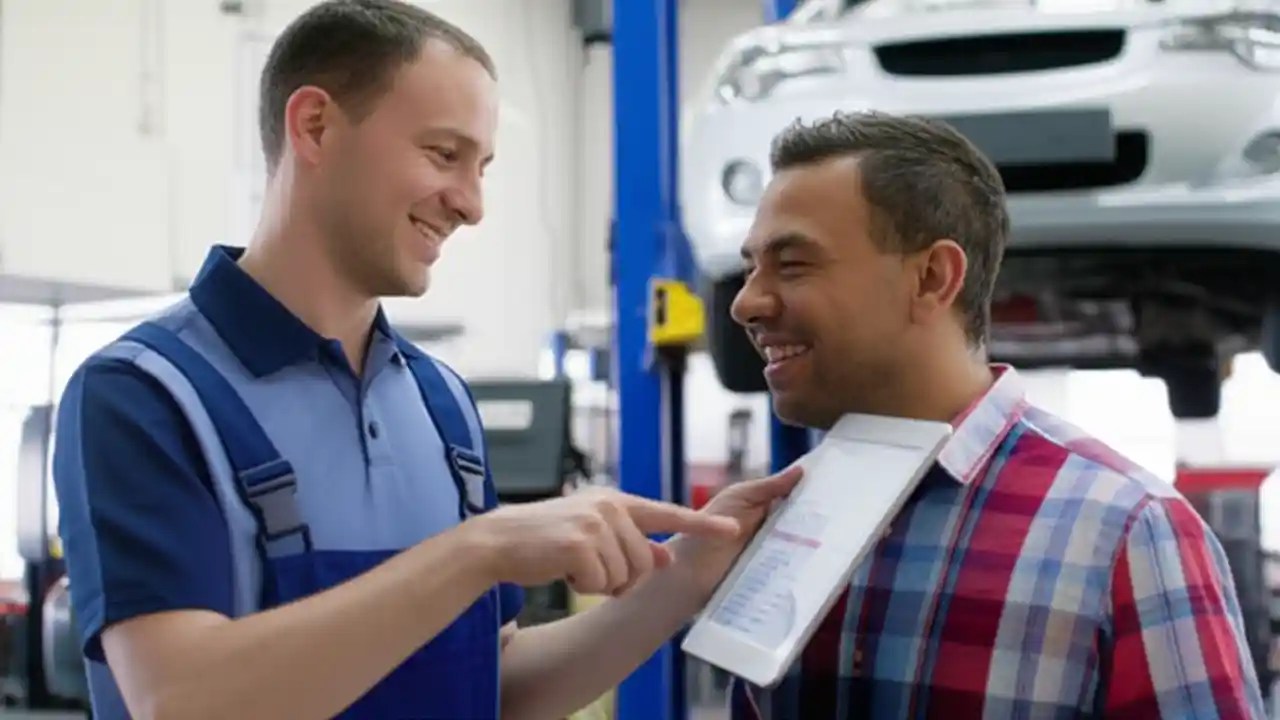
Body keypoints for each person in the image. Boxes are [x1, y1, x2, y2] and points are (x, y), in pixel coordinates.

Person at [49, 2, 801, 719]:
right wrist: (480, 551)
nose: (472, 204)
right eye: (444, 154)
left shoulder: (439, 401)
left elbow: (496, 684)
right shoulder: (145, 397)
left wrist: (685, 581)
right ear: (314, 127)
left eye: (483, 166)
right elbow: (182, 701)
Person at [726, 110, 1268, 718]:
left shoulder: (1127, 533)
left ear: (933, 277)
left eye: (792, 264)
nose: (746, 302)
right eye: (750, 268)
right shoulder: (784, 518)